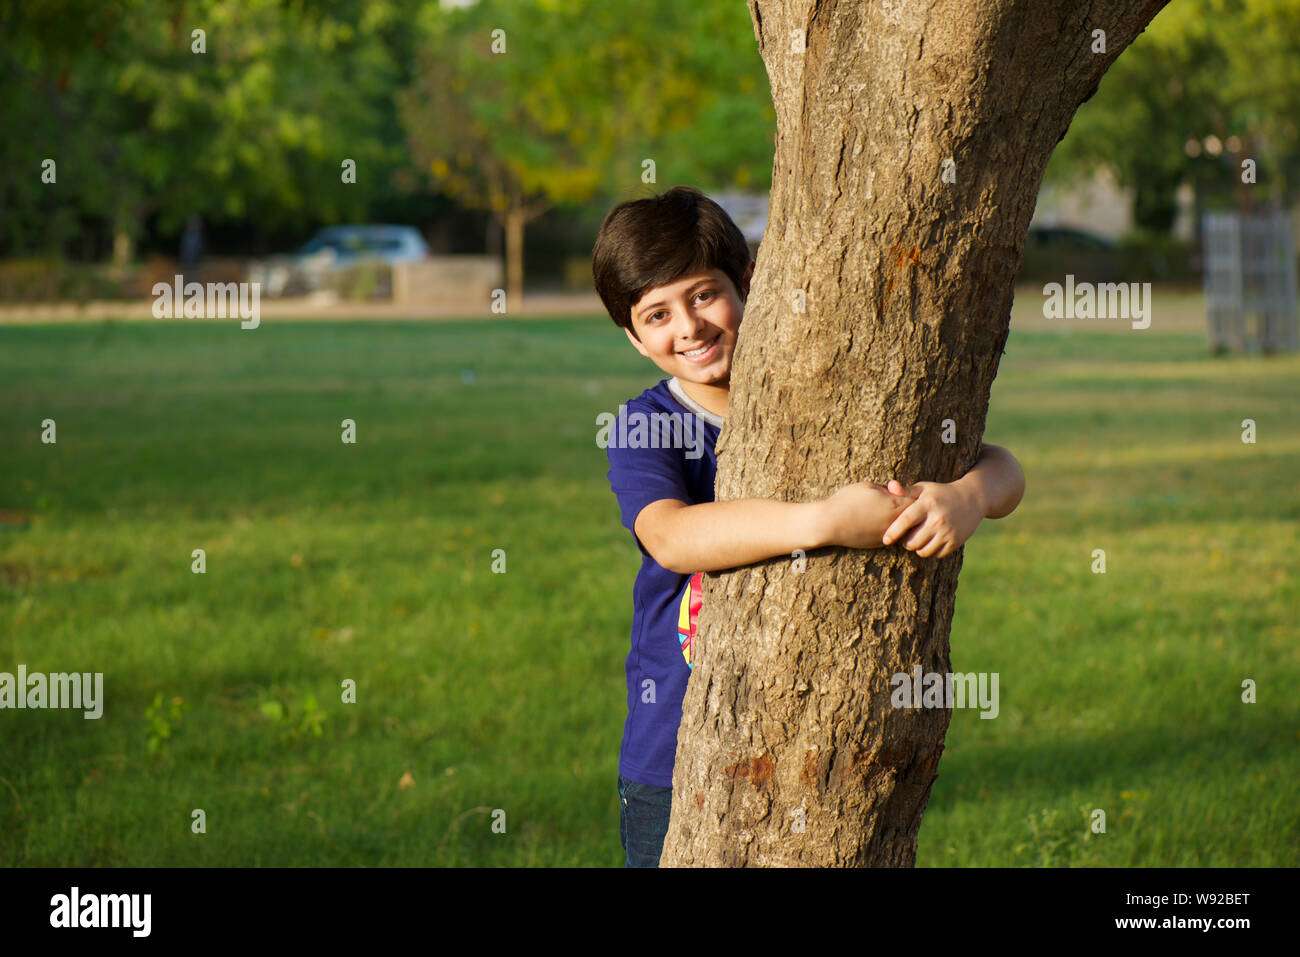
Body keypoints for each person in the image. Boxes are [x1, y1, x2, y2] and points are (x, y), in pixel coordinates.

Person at [591, 185, 1025, 867]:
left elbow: (1001, 466)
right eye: (658, 314)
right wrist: (822, 521)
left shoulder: (825, 396)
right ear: (634, 337)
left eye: (703, 295)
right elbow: (671, 537)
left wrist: (969, 497)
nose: (690, 326)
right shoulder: (648, 424)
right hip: (674, 747)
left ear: (749, 282)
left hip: (824, 733)